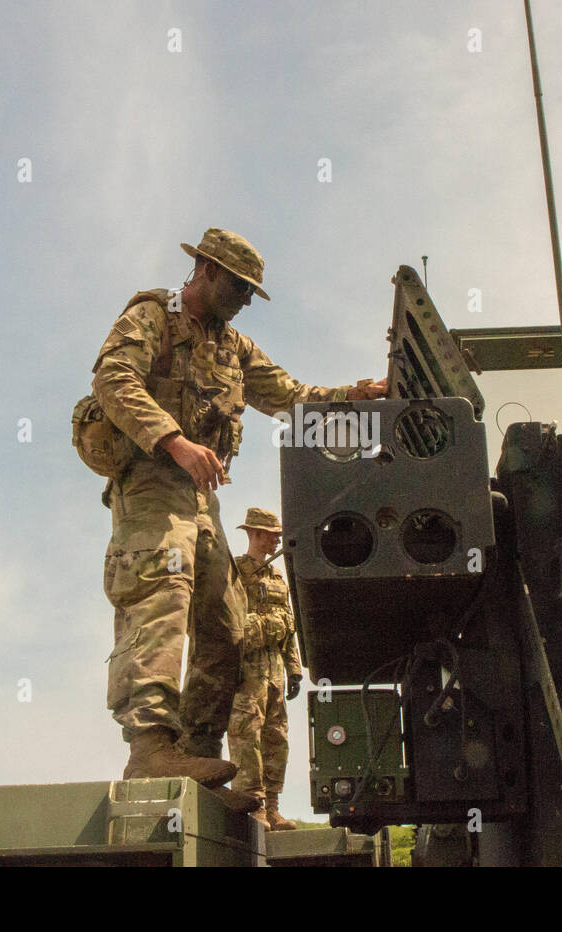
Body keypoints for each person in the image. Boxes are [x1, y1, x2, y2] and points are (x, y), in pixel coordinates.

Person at [91, 227, 386, 814]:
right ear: (205, 270)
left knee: (227, 624)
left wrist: (359, 394)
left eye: (253, 292)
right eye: (240, 287)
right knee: (163, 585)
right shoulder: (153, 316)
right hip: (151, 484)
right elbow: (112, 380)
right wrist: (175, 442)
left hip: (200, 502)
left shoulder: (236, 348)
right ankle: (150, 745)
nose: (246, 300)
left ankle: (193, 759)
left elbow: (291, 395)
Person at [228, 508, 302, 830]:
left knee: (277, 739)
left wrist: (295, 668)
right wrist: (270, 625)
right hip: (247, 673)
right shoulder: (235, 572)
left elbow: (290, 626)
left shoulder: (278, 579)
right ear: (255, 534)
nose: (276, 540)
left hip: (275, 673)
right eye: (271, 535)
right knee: (247, 737)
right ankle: (252, 806)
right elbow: (231, 626)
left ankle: (272, 807)